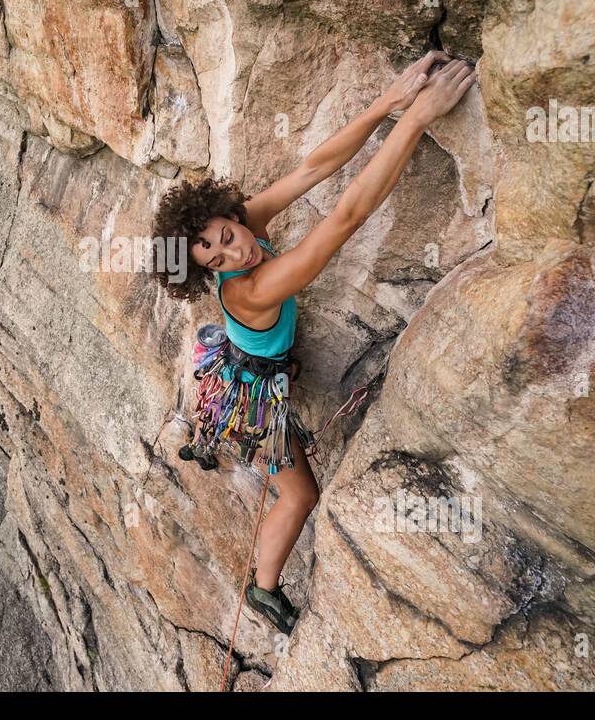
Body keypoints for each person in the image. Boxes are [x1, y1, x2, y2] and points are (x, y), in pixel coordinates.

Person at [150, 50, 475, 634]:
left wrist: (387, 104)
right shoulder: (254, 287)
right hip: (251, 394)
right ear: (203, 271)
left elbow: (312, 169)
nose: (235, 252)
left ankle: (213, 455)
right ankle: (263, 589)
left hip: (241, 366)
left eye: (227, 235)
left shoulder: (247, 226)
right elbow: (345, 217)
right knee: (298, 496)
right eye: (216, 257)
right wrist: (418, 119)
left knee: (287, 478)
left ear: (230, 214)